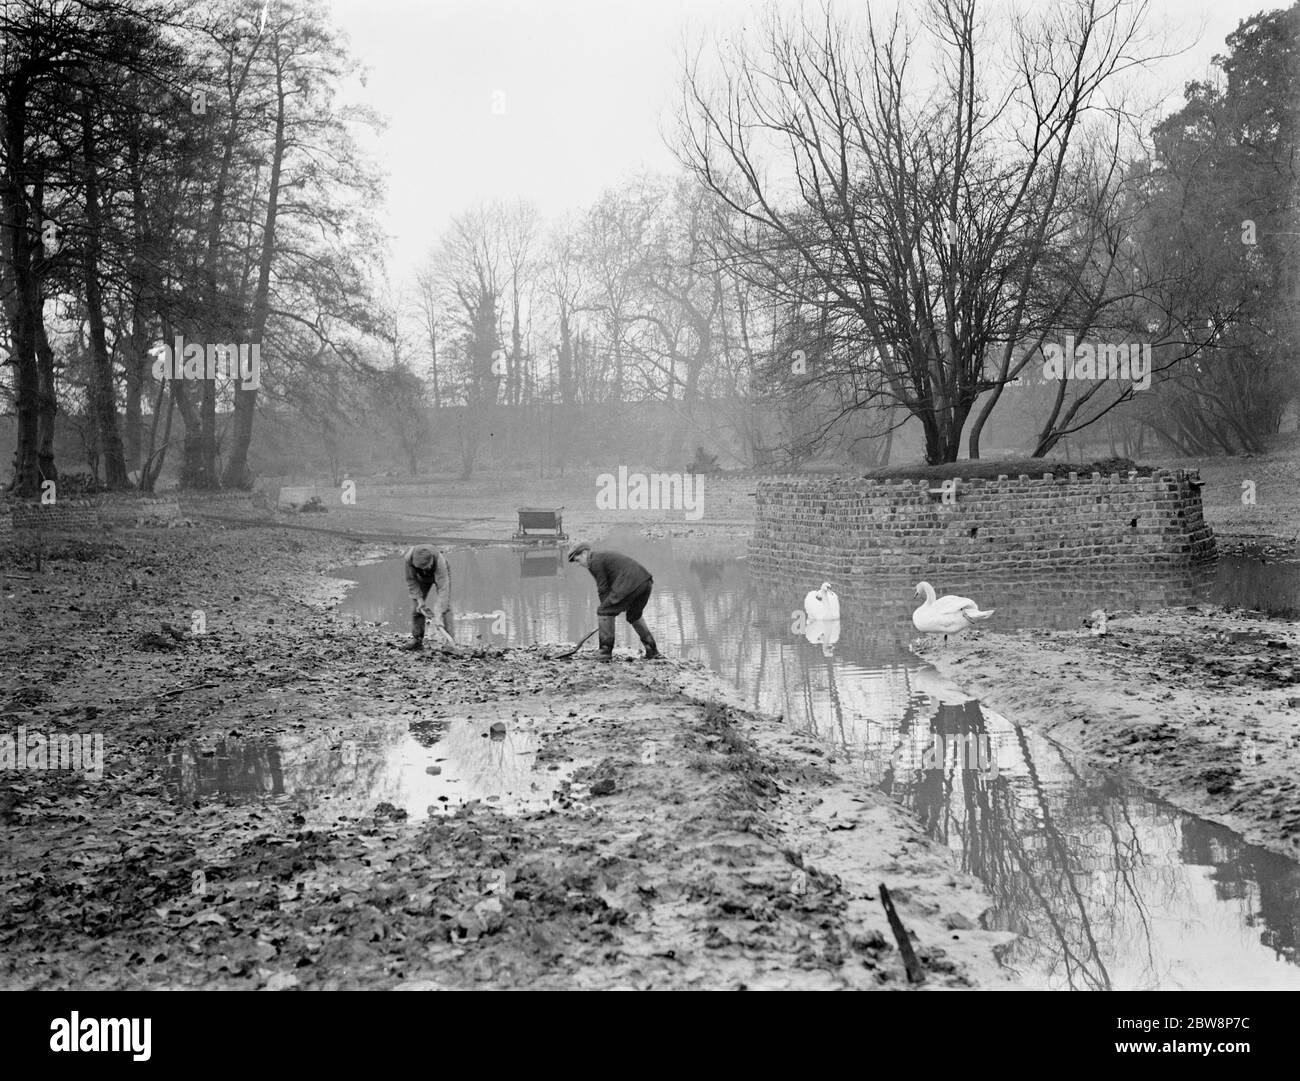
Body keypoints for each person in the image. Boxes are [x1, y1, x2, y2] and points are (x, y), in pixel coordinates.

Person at [567, 542, 660, 662]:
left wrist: (605, 612)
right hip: (645, 582)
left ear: (585, 553)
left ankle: (604, 652)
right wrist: (617, 604)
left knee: (604, 611)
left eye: (578, 560)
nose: (579, 564)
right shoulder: (601, 557)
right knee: (634, 615)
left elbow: (603, 588)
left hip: (631, 583)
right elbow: (611, 583)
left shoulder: (594, 561)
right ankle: (652, 650)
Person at [399, 544, 454, 650]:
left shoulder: (439, 562)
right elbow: (411, 580)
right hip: (421, 579)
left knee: (445, 608)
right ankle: (417, 640)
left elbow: (443, 591)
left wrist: (438, 614)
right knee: (417, 609)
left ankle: (450, 643)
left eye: (428, 566)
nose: (426, 569)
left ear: (432, 560)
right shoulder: (409, 560)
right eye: (422, 568)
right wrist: (420, 601)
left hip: (440, 575)